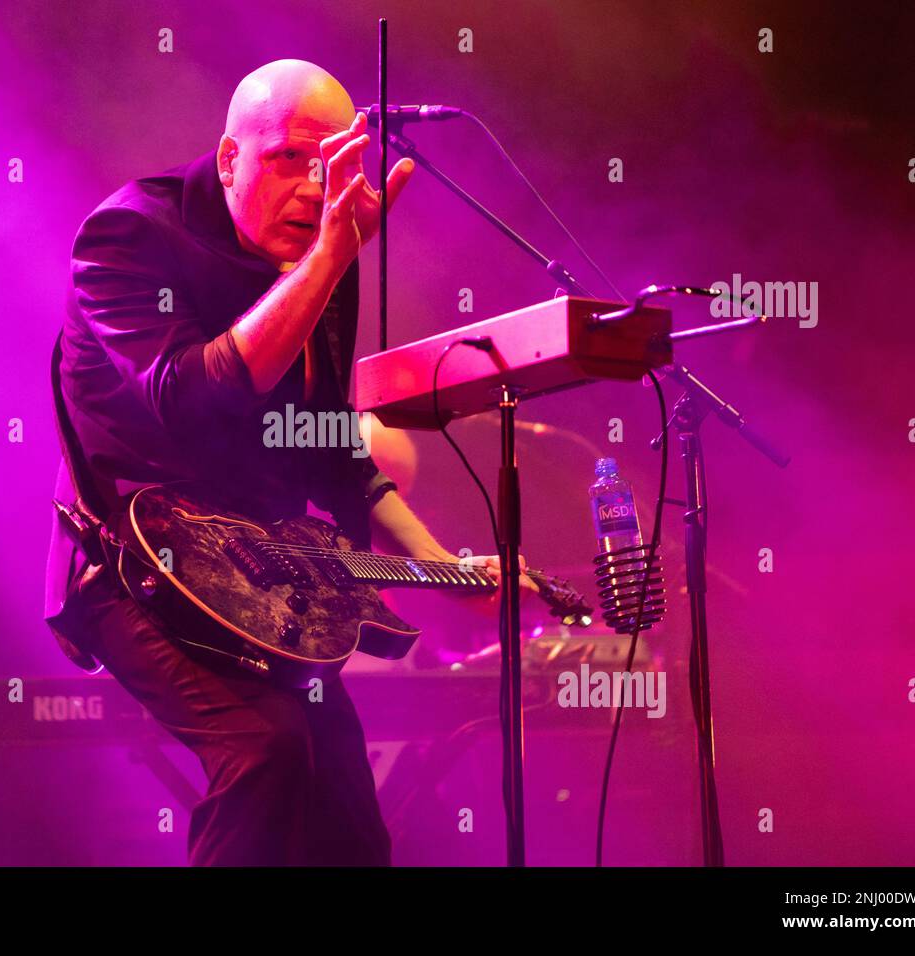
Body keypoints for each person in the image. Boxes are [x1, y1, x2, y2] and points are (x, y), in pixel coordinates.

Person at [44, 59, 542, 865]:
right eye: (288, 159)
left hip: (255, 580)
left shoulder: (321, 257)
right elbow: (190, 396)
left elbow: (325, 442)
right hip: (127, 571)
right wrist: (327, 261)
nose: (314, 189)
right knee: (263, 750)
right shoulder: (129, 236)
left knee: (346, 818)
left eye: (331, 164)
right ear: (230, 158)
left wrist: (443, 566)